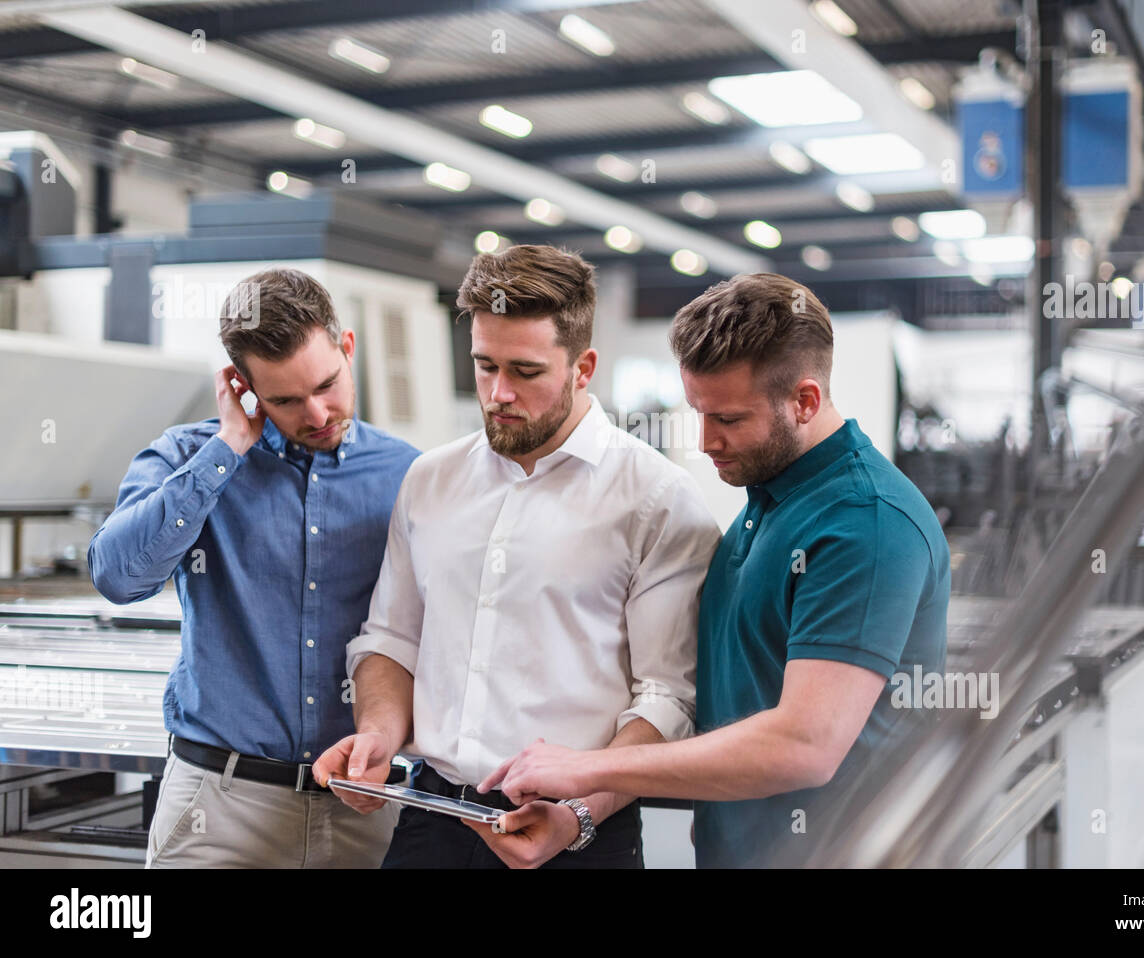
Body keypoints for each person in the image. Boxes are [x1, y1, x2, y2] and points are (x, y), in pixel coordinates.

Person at [481, 272, 950, 868]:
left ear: (804, 401)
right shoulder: (770, 498)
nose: (705, 441)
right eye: (698, 412)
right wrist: (579, 812)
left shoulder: (866, 524)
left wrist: (583, 765)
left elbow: (804, 745)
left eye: (728, 419)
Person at [312, 244, 720, 869]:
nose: (498, 393)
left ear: (583, 367)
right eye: (484, 366)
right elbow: (392, 640)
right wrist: (376, 738)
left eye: (526, 372)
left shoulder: (657, 500)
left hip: (579, 832)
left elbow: (668, 697)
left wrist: (578, 813)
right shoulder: (429, 480)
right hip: (432, 822)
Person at [88, 268, 419, 868]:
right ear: (242, 386)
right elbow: (118, 577)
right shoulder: (188, 459)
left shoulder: (411, 476)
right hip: (217, 806)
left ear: (347, 347)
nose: (317, 412)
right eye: (286, 400)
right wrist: (227, 450)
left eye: (328, 384)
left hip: (365, 805)